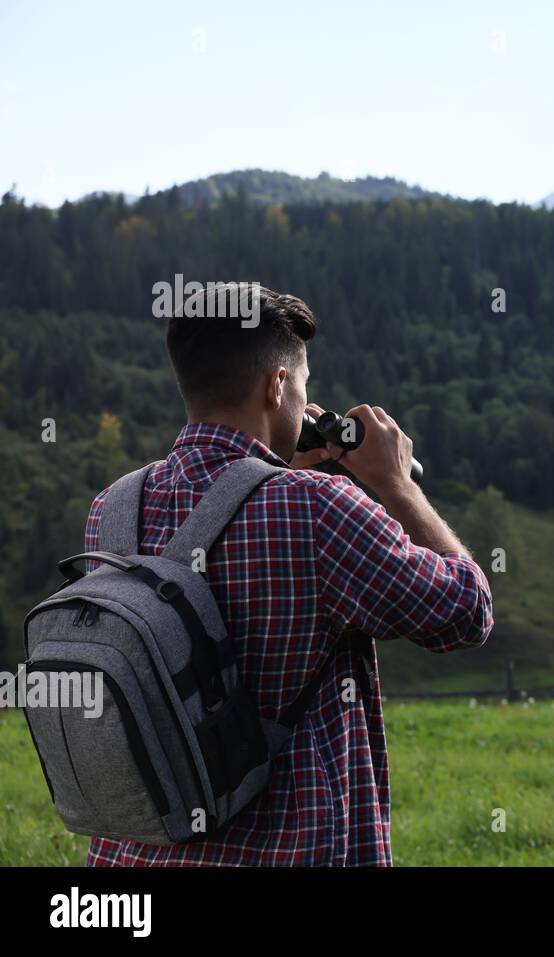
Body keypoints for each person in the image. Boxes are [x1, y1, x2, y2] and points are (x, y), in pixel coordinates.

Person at [84, 283, 493, 866]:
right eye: (302, 384)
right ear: (277, 385)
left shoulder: (113, 507)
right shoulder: (317, 507)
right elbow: (465, 612)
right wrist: (398, 485)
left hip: (134, 862)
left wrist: (267, 477)